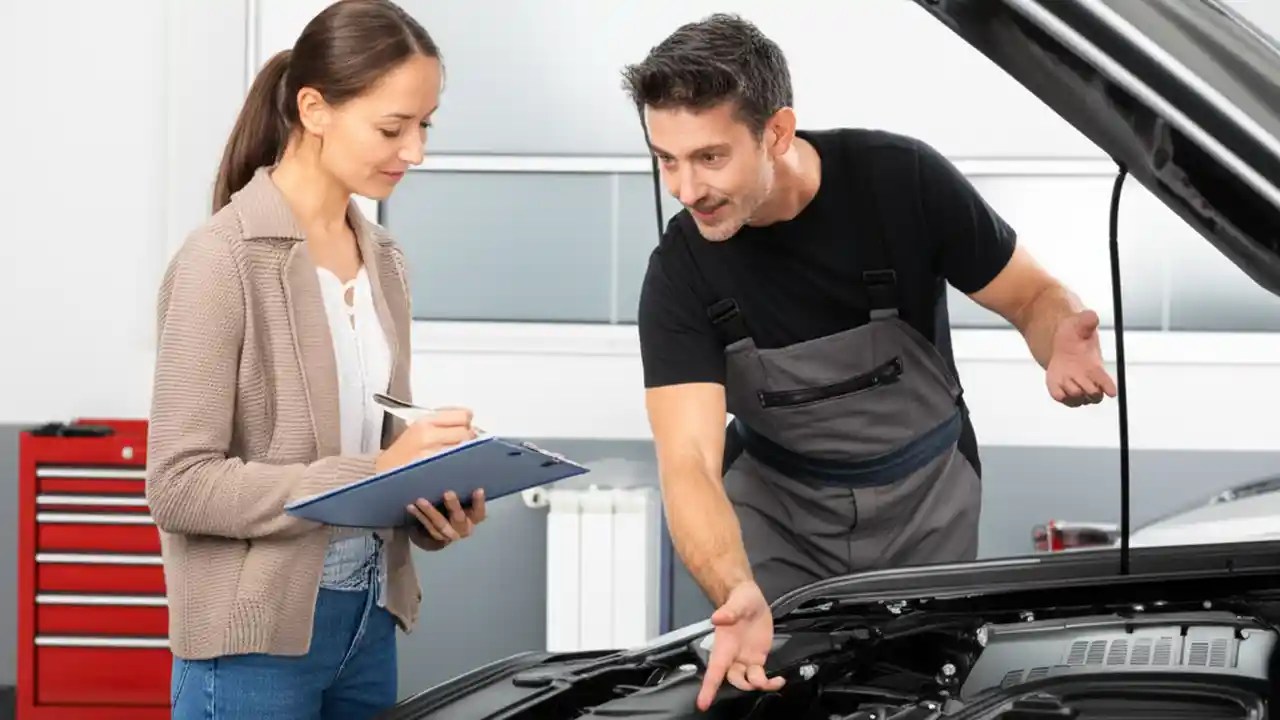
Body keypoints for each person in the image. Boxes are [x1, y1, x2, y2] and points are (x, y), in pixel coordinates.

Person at [620, 13, 1118, 712]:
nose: (684, 189)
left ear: (778, 132)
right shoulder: (680, 271)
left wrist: (1059, 332)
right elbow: (688, 463)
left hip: (927, 502)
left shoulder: (902, 182)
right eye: (665, 159)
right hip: (781, 517)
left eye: (709, 157)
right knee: (781, 699)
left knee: (929, 692)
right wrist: (734, 587)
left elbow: (1033, 294)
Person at [144, 1, 485, 717]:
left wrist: (427, 498)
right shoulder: (221, 260)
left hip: (370, 619)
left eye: (425, 125)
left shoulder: (385, 259)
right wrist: (373, 474)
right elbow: (179, 487)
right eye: (393, 128)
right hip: (255, 639)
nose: (416, 151)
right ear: (314, 108)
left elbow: (372, 451)